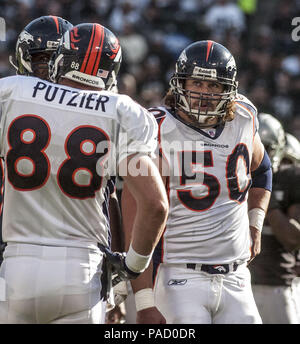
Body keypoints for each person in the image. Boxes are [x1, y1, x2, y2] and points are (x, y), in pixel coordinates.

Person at [0, 23, 168, 324]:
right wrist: (131, 267)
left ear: (60, 58)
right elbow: (155, 205)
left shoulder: (12, 92)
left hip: (16, 266)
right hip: (82, 271)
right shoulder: (122, 111)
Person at [121, 40, 272, 324]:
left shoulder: (243, 116)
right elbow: (133, 213)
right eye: (197, 83)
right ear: (179, 83)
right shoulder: (156, 128)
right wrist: (143, 299)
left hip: (237, 277)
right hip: (178, 276)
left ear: (229, 88)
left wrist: (256, 222)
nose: (204, 93)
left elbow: (262, 168)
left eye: (214, 86)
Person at [0, 15, 73, 267]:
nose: (51, 67)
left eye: (57, 58)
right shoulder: (8, 98)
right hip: (13, 239)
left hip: (75, 242)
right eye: (42, 59)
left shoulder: (7, 94)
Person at [249, 113, 300, 324]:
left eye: (267, 148)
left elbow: (293, 239)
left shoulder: (289, 180)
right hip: (236, 283)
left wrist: (263, 194)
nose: (260, 155)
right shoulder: (230, 179)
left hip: (276, 286)